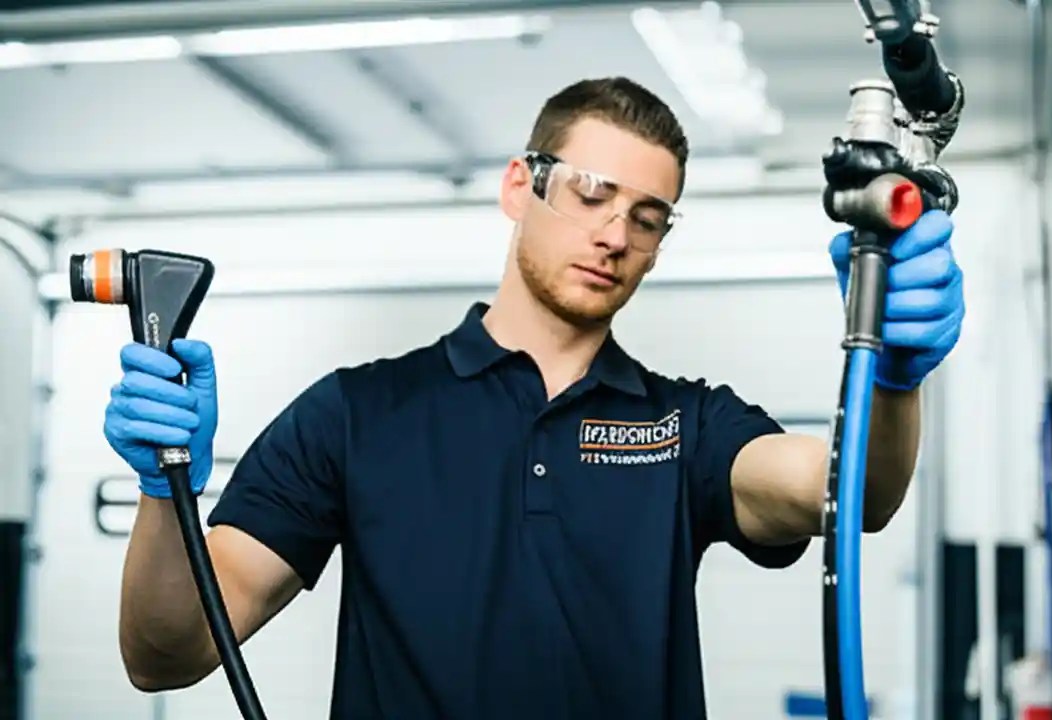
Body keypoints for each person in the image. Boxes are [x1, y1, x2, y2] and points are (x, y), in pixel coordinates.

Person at [103, 76, 964, 719]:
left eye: (648, 215)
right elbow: (168, 653)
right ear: (522, 185)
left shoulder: (684, 425)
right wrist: (161, 489)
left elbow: (855, 493)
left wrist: (895, 378)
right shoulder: (356, 415)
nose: (614, 234)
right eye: (592, 192)